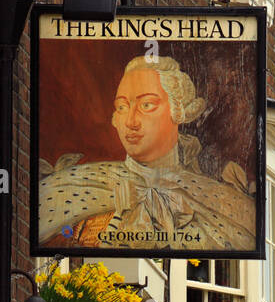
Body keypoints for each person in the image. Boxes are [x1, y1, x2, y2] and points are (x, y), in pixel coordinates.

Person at [38, 55, 256, 253]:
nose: (131, 121)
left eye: (147, 105)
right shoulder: (73, 186)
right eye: (122, 107)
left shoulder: (224, 202)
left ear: (178, 111)